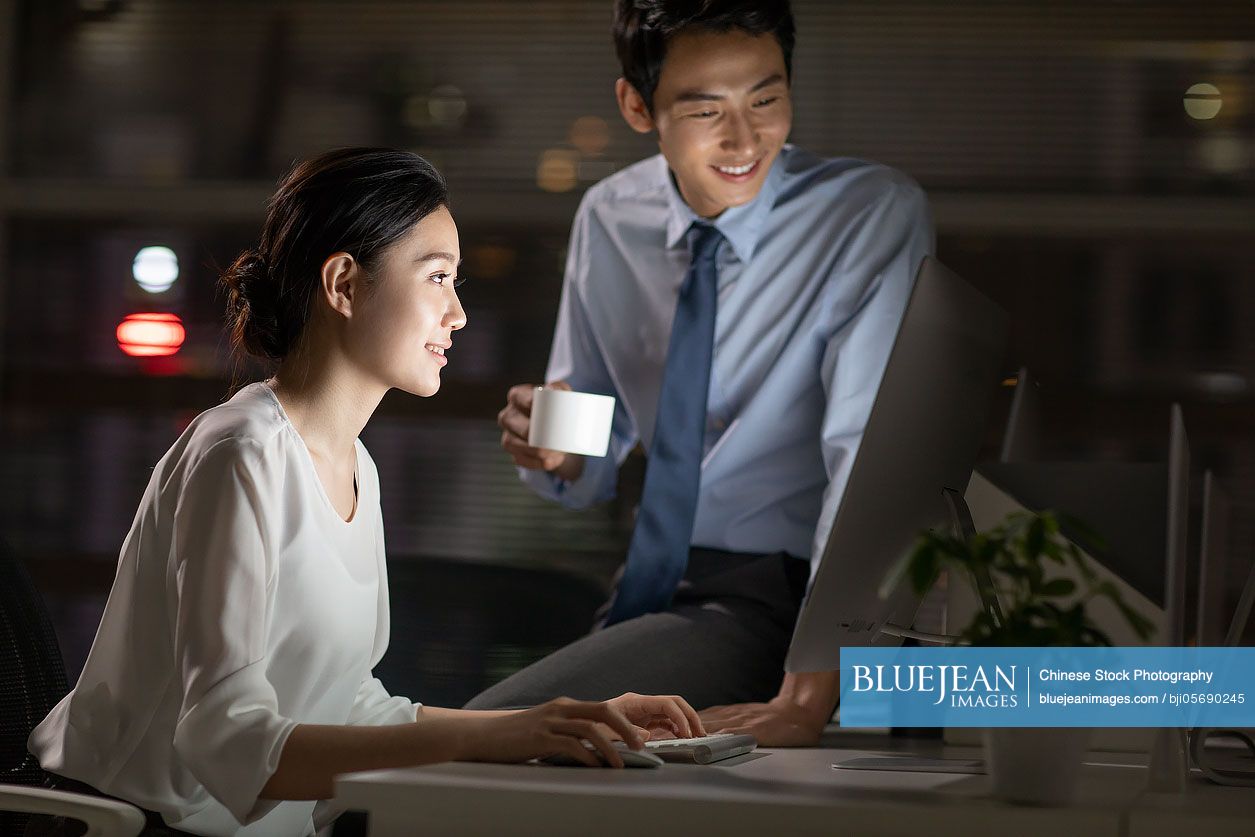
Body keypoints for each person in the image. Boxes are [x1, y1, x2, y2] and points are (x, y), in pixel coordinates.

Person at [27, 148, 703, 837]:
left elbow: (345, 704)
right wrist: (497, 734)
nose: (459, 313)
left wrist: (549, 724)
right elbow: (226, 739)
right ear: (344, 283)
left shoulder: (357, 465)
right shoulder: (240, 453)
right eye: (437, 276)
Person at [472, 0, 933, 747]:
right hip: (650, 586)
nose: (744, 138)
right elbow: (592, 442)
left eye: (766, 98)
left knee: (487, 740)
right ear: (636, 105)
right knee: (498, 745)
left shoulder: (866, 214)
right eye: (704, 109)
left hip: (782, 592)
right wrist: (559, 452)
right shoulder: (609, 219)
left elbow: (869, 454)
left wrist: (811, 688)